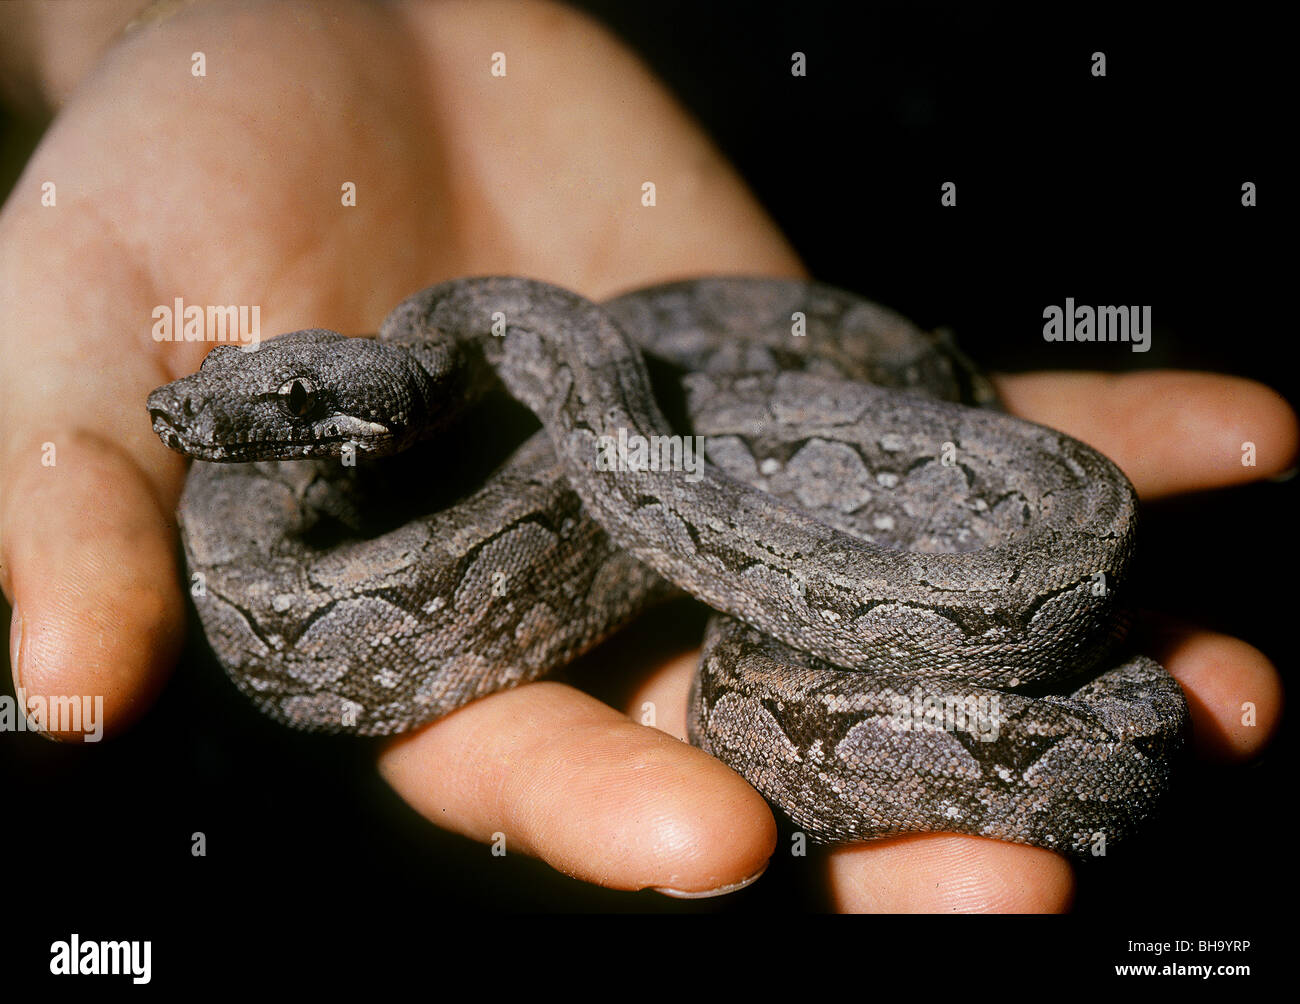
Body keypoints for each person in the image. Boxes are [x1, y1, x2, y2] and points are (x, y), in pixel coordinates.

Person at [0, 0, 1289, 912]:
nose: (230, 424)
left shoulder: (542, 379)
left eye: (282, 404)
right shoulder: (477, 353)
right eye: (260, 403)